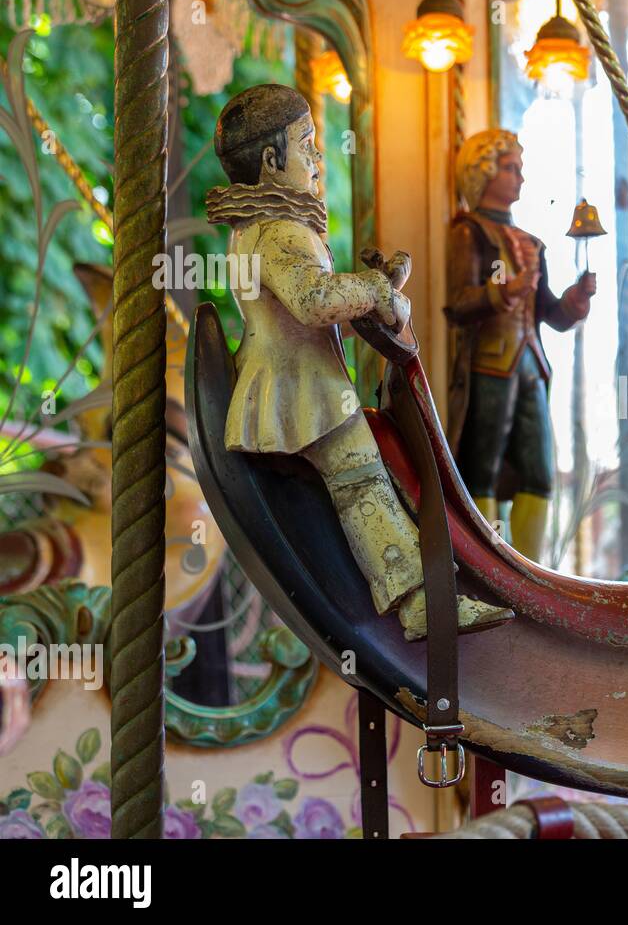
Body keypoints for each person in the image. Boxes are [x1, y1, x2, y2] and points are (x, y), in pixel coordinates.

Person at [208, 83, 511, 641]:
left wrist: (374, 290)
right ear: (273, 162)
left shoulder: (266, 227)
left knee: (377, 469)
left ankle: (442, 574)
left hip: (301, 378)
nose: (319, 160)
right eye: (308, 146)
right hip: (301, 389)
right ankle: (419, 603)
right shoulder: (277, 232)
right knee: (362, 481)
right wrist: (373, 289)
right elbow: (313, 300)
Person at [445, 129, 595, 561]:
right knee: (482, 469)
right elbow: (459, 304)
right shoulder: (468, 233)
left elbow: (548, 311)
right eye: (510, 169)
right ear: (483, 172)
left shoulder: (531, 243)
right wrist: (504, 291)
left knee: (540, 473)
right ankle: (488, 562)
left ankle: (531, 566)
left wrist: (575, 300)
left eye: (519, 169)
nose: (520, 179)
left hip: (531, 363)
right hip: (489, 365)